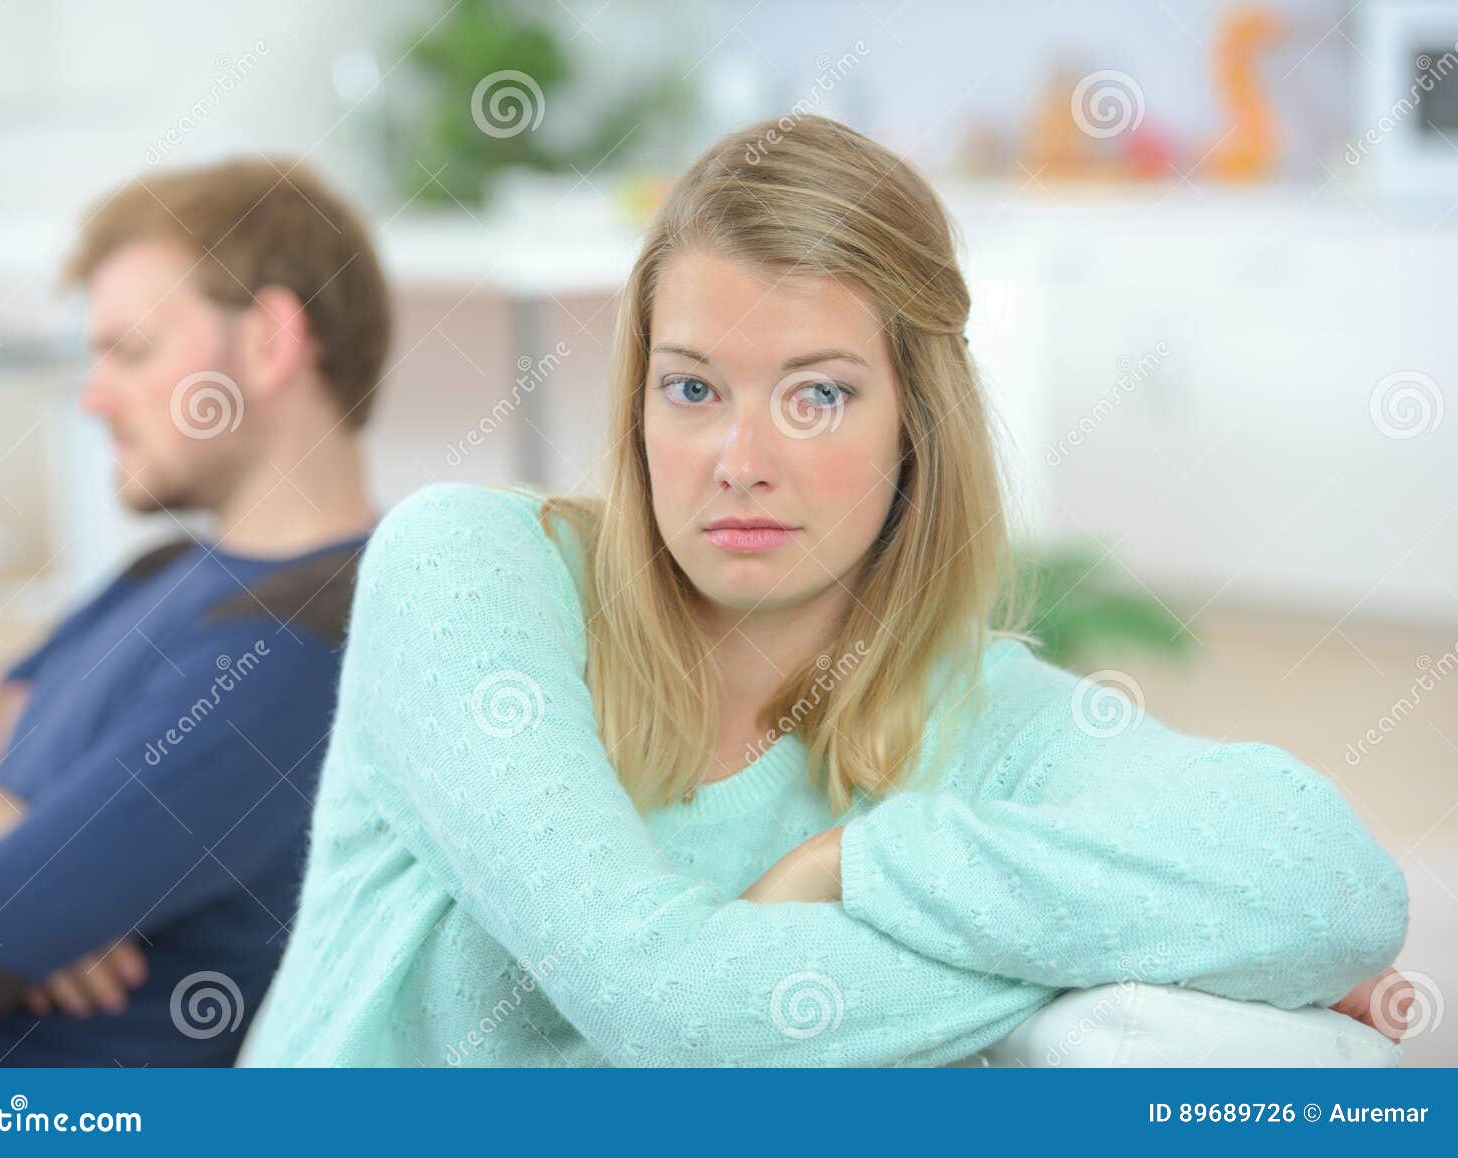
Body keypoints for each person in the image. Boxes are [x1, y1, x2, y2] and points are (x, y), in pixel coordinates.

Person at [243, 116, 1411, 1067]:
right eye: (692, 389)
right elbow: (671, 1012)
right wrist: (1067, 961)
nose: (739, 460)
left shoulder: (976, 715)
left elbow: (1331, 891)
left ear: (917, 425)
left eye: (816, 395)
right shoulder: (467, 570)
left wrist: (856, 866)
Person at [0, 156, 391, 1066]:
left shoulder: (301, 644)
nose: (94, 397)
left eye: (132, 352)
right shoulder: (169, 568)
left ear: (269, 343)